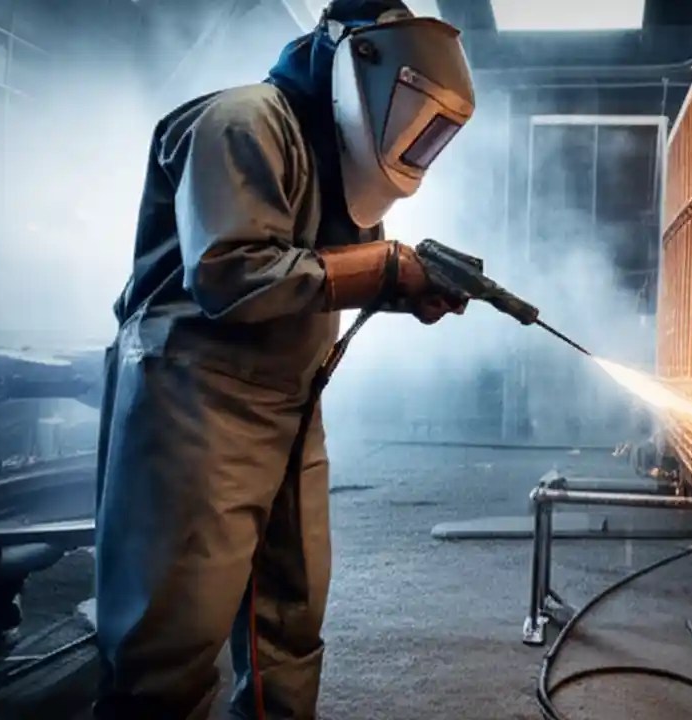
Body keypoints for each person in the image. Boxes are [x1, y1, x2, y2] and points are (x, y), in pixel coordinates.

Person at [91, 2, 476, 718]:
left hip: (293, 406)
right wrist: (389, 269)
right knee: (169, 648)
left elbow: (316, 270)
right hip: (196, 409)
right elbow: (230, 275)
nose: (418, 146)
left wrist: (409, 288)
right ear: (367, 74)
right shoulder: (244, 124)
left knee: (289, 626)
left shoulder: (340, 162)